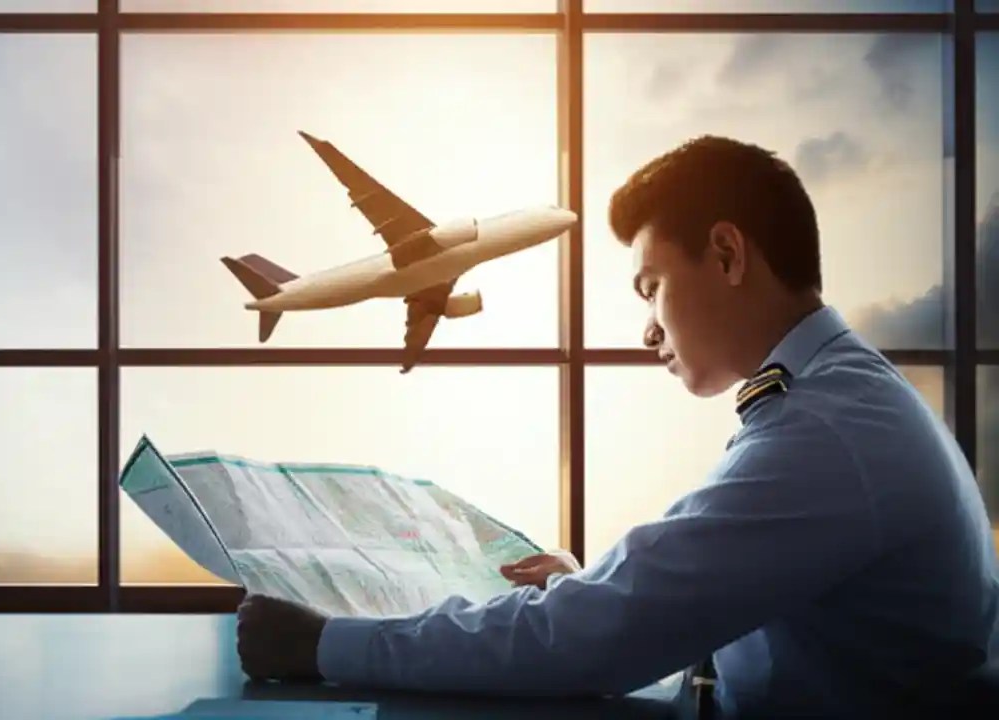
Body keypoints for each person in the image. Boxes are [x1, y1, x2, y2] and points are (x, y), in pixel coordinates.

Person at [234, 135, 999, 718]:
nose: (646, 330)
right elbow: (724, 594)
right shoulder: (842, 398)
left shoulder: (825, 433)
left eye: (652, 286)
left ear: (728, 254)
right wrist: (594, 591)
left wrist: (323, 643)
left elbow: (589, 643)